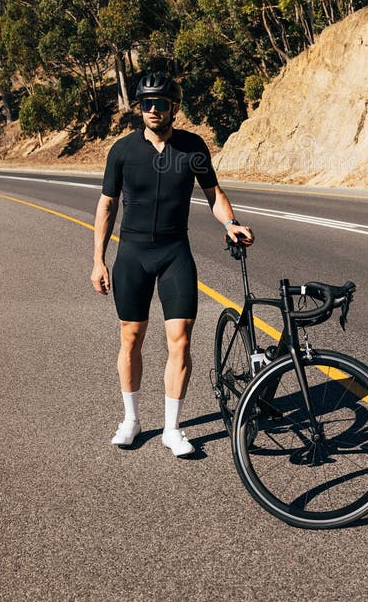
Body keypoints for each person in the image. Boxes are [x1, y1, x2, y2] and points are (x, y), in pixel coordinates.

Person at [91, 72, 254, 456]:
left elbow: (214, 193)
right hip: (132, 255)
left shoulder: (192, 147)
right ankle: (131, 420)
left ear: (174, 108)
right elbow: (107, 205)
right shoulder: (122, 151)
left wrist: (230, 223)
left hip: (174, 254)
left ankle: (172, 428)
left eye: (160, 103)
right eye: (146, 103)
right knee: (131, 338)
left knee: (180, 340)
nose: (152, 110)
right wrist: (98, 260)